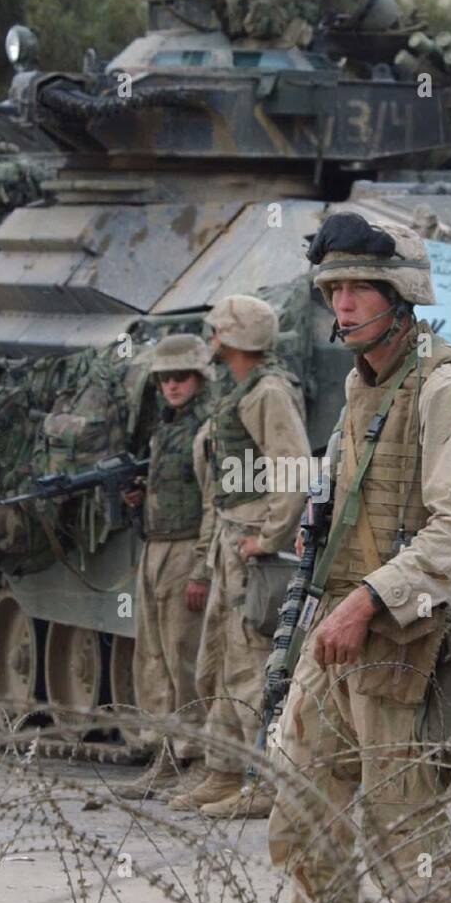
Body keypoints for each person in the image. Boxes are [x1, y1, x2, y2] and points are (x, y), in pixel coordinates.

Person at [215, 213, 451, 903]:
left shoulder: (445, 388)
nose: (342, 304)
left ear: (400, 292)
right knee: (305, 833)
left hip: (400, 649)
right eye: (332, 289)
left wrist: (373, 596)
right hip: (334, 644)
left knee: (404, 845)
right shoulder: (359, 388)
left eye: (358, 289)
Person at [168, 294, 311, 819]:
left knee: (254, 668)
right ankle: (225, 770)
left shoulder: (268, 392)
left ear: (233, 339)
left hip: (251, 548)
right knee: (219, 665)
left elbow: (294, 469)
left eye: (217, 332)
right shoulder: (243, 390)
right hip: (232, 540)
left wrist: (269, 537)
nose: (210, 340)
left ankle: (267, 780)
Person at [118, 334, 214, 803]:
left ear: (199, 378)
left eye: (182, 377)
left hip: (185, 547)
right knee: (152, 657)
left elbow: (216, 503)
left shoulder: (207, 429)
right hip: (155, 547)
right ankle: (163, 752)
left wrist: (202, 567)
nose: (173, 386)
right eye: (165, 379)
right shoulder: (166, 427)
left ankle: (196, 755)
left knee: (185, 658)